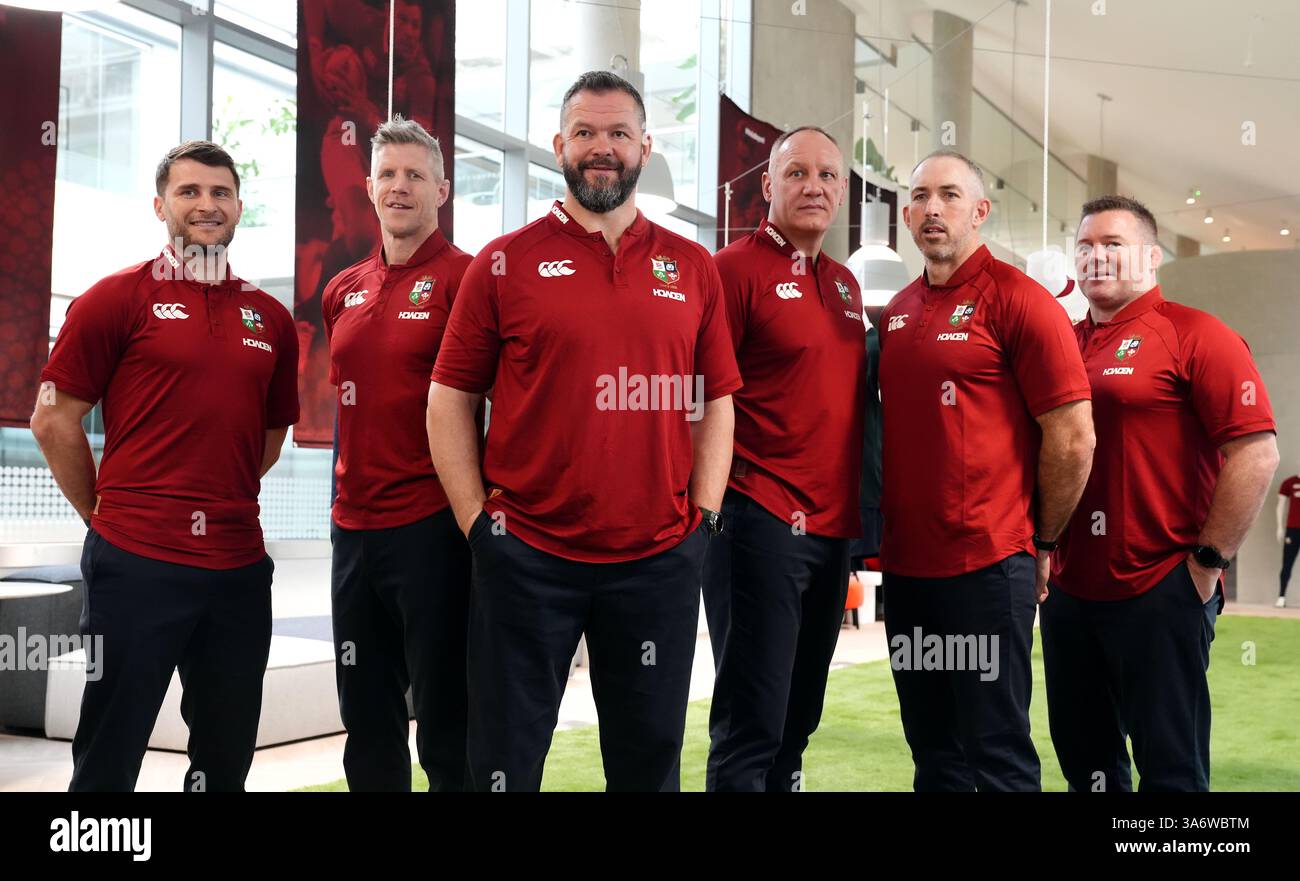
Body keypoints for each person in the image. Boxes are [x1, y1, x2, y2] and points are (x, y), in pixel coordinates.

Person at [426, 71, 741, 792]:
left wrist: (706, 520)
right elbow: (448, 398)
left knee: (648, 765)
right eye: (587, 133)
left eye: (619, 133)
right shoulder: (504, 263)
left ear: (645, 147)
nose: (603, 148)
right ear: (560, 143)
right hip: (526, 557)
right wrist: (479, 524)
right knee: (502, 763)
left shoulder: (691, 266)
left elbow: (717, 401)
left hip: (659, 559)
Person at [30, 141, 299, 791]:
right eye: (189, 192)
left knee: (226, 754)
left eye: (220, 193)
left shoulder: (271, 318)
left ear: (238, 206)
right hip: (136, 560)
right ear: (160, 205)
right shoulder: (114, 298)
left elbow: (267, 437)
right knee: (109, 751)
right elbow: (52, 418)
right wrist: (105, 512)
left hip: (237, 569)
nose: (206, 204)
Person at [876, 149, 1095, 792]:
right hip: (908, 566)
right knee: (932, 750)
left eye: (948, 195)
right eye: (919, 196)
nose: (931, 208)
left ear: (981, 210)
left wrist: (1044, 542)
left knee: (995, 752)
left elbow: (1074, 437)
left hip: (988, 562)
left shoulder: (1022, 302)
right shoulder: (898, 313)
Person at [1044, 195, 1279, 792]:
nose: (1096, 256)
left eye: (1113, 245)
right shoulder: (1062, 343)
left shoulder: (1197, 335)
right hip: (1070, 592)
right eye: (1086, 245)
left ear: (1151, 257)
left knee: (1171, 773)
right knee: (1086, 766)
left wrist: (1204, 565)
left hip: (1160, 588)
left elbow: (1255, 454)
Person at [703, 126, 866, 792]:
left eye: (829, 176)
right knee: (752, 721)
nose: (815, 186)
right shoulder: (730, 270)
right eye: (798, 173)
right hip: (757, 520)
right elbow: (697, 397)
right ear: (768, 187)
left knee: (799, 717)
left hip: (831, 530)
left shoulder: (848, 286)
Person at [321, 116, 473, 792]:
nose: (400, 186)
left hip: (436, 528)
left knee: (446, 718)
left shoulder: (470, 280)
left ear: (442, 188)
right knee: (367, 717)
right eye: (388, 174)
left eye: (415, 175)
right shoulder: (341, 289)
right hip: (354, 532)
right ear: (369, 187)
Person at [1276, 473, 1300, 608]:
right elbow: (1280, 505)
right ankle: (1281, 596)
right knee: (1287, 563)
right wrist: (1279, 527)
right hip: (1293, 530)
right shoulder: (1289, 482)